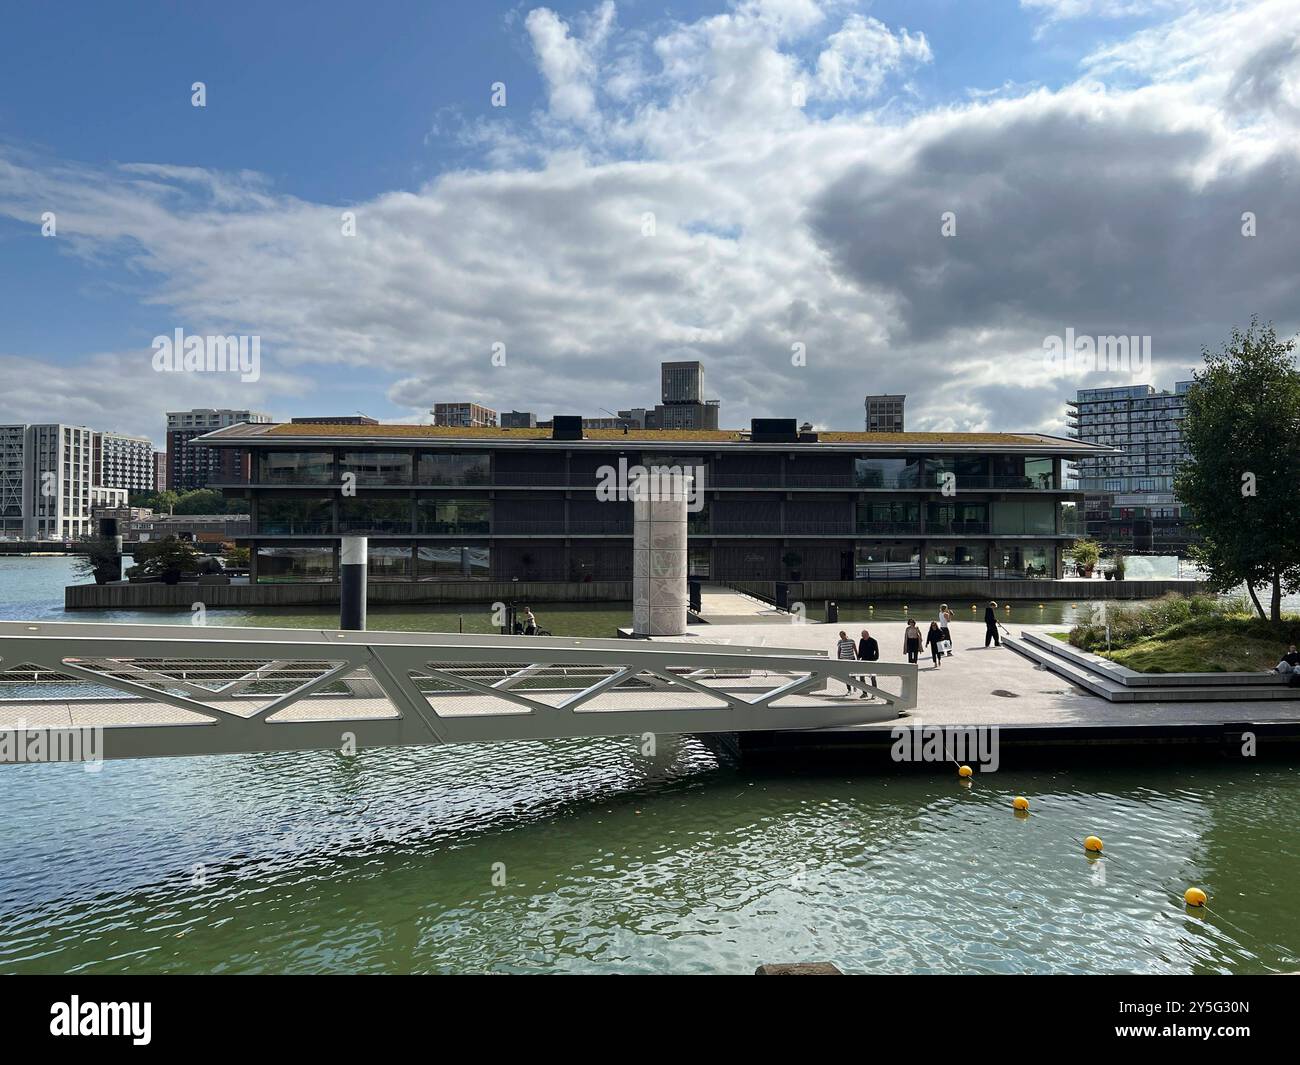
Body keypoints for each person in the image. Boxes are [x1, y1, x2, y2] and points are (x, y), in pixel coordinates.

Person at [856, 629, 879, 697]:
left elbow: (877, 652)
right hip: (863, 661)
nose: (863, 637)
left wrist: (874, 660)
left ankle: (874, 693)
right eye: (862, 636)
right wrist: (858, 657)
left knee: (873, 678)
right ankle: (864, 693)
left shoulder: (873, 641)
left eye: (864, 635)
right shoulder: (861, 640)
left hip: (871, 661)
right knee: (862, 677)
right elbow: (860, 649)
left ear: (867, 634)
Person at [835, 630, 858, 694]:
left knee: (853, 674)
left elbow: (855, 649)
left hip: (851, 659)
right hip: (843, 660)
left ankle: (855, 686)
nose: (841, 638)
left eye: (842, 636)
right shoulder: (840, 642)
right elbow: (839, 651)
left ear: (845, 635)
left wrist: (858, 658)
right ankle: (849, 690)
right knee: (846, 675)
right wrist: (839, 659)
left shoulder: (851, 641)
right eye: (840, 636)